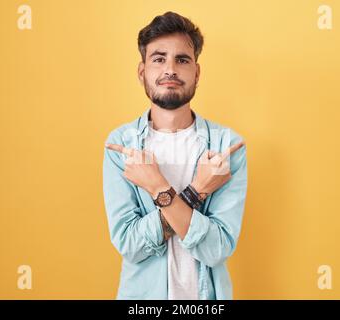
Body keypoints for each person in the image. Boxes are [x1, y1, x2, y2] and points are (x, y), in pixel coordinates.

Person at [103, 11, 248, 300]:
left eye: (182, 59)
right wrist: (198, 191)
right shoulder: (121, 144)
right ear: (142, 72)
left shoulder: (227, 145)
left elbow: (217, 249)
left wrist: (157, 187)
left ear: (196, 72)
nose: (170, 69)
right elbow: (130, 245)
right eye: (159, 58)